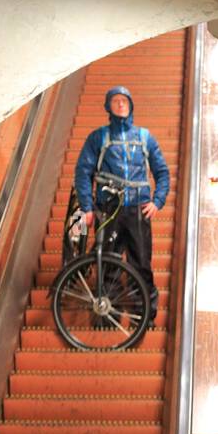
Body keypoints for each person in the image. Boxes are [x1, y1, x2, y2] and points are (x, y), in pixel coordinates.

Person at [73, 86, 170, 326]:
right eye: (115, 101)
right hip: (108, 209)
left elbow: (162, 172)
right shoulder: (98, 138)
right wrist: (87, 207)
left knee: (141, 263)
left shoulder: (145, 137)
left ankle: (144, 316)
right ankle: (108, 315)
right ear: (108, 106)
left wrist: (157, 202)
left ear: (131, 105)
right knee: (108, 260)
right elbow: (83, 172)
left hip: (138, 209)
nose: (120, 105)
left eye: (124, 101)